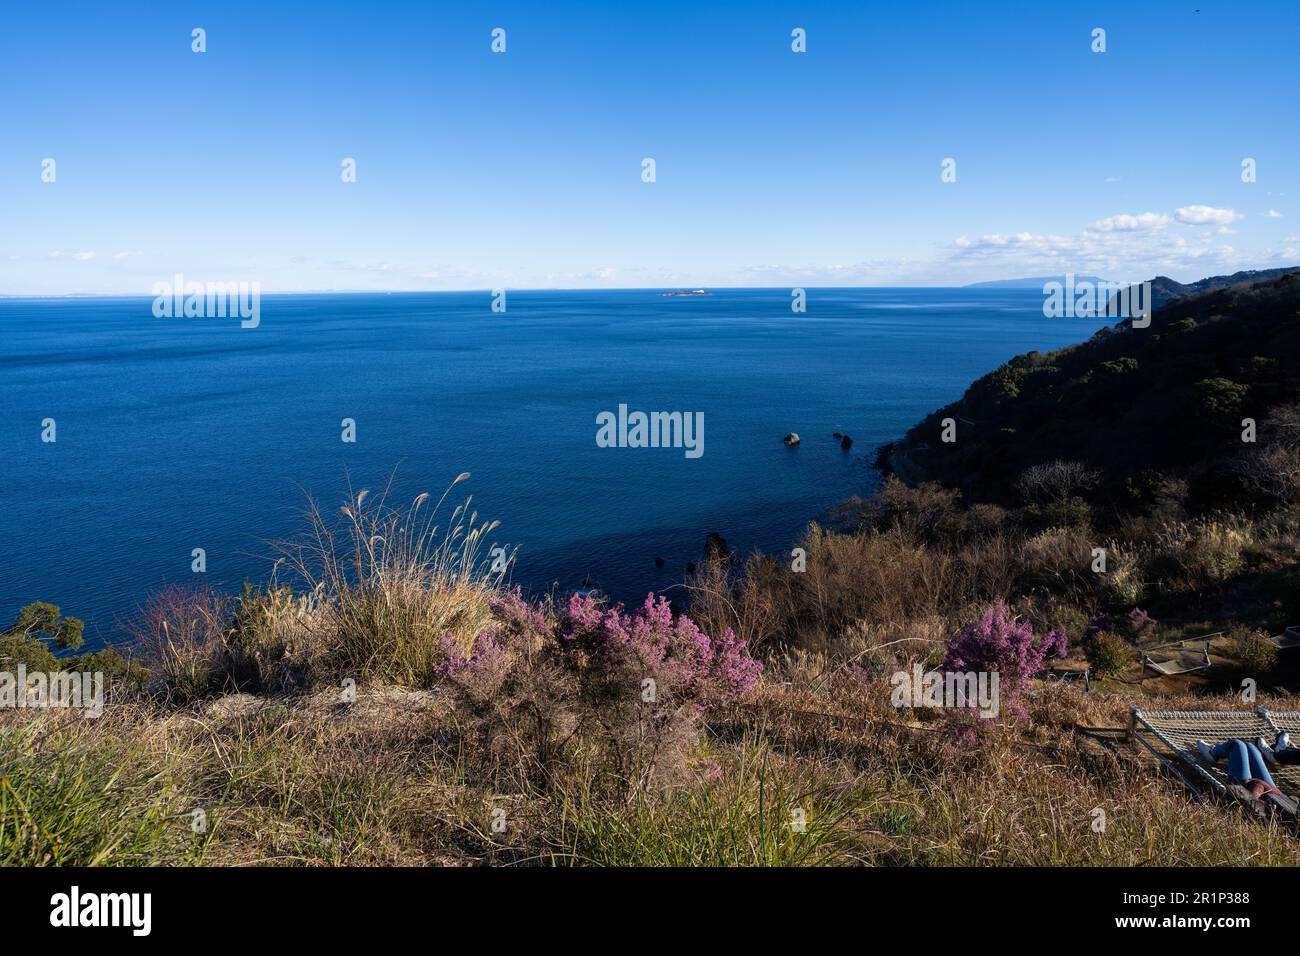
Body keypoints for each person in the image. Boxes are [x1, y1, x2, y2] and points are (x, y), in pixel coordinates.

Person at [1195, 738, 1279, 798]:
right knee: (1250, 746)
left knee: (1236, 744)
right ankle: (1216, 752)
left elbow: (1253, 798)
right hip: (1276, 794)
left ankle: (1213, 752)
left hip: (1246, 789)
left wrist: (1256, 786)